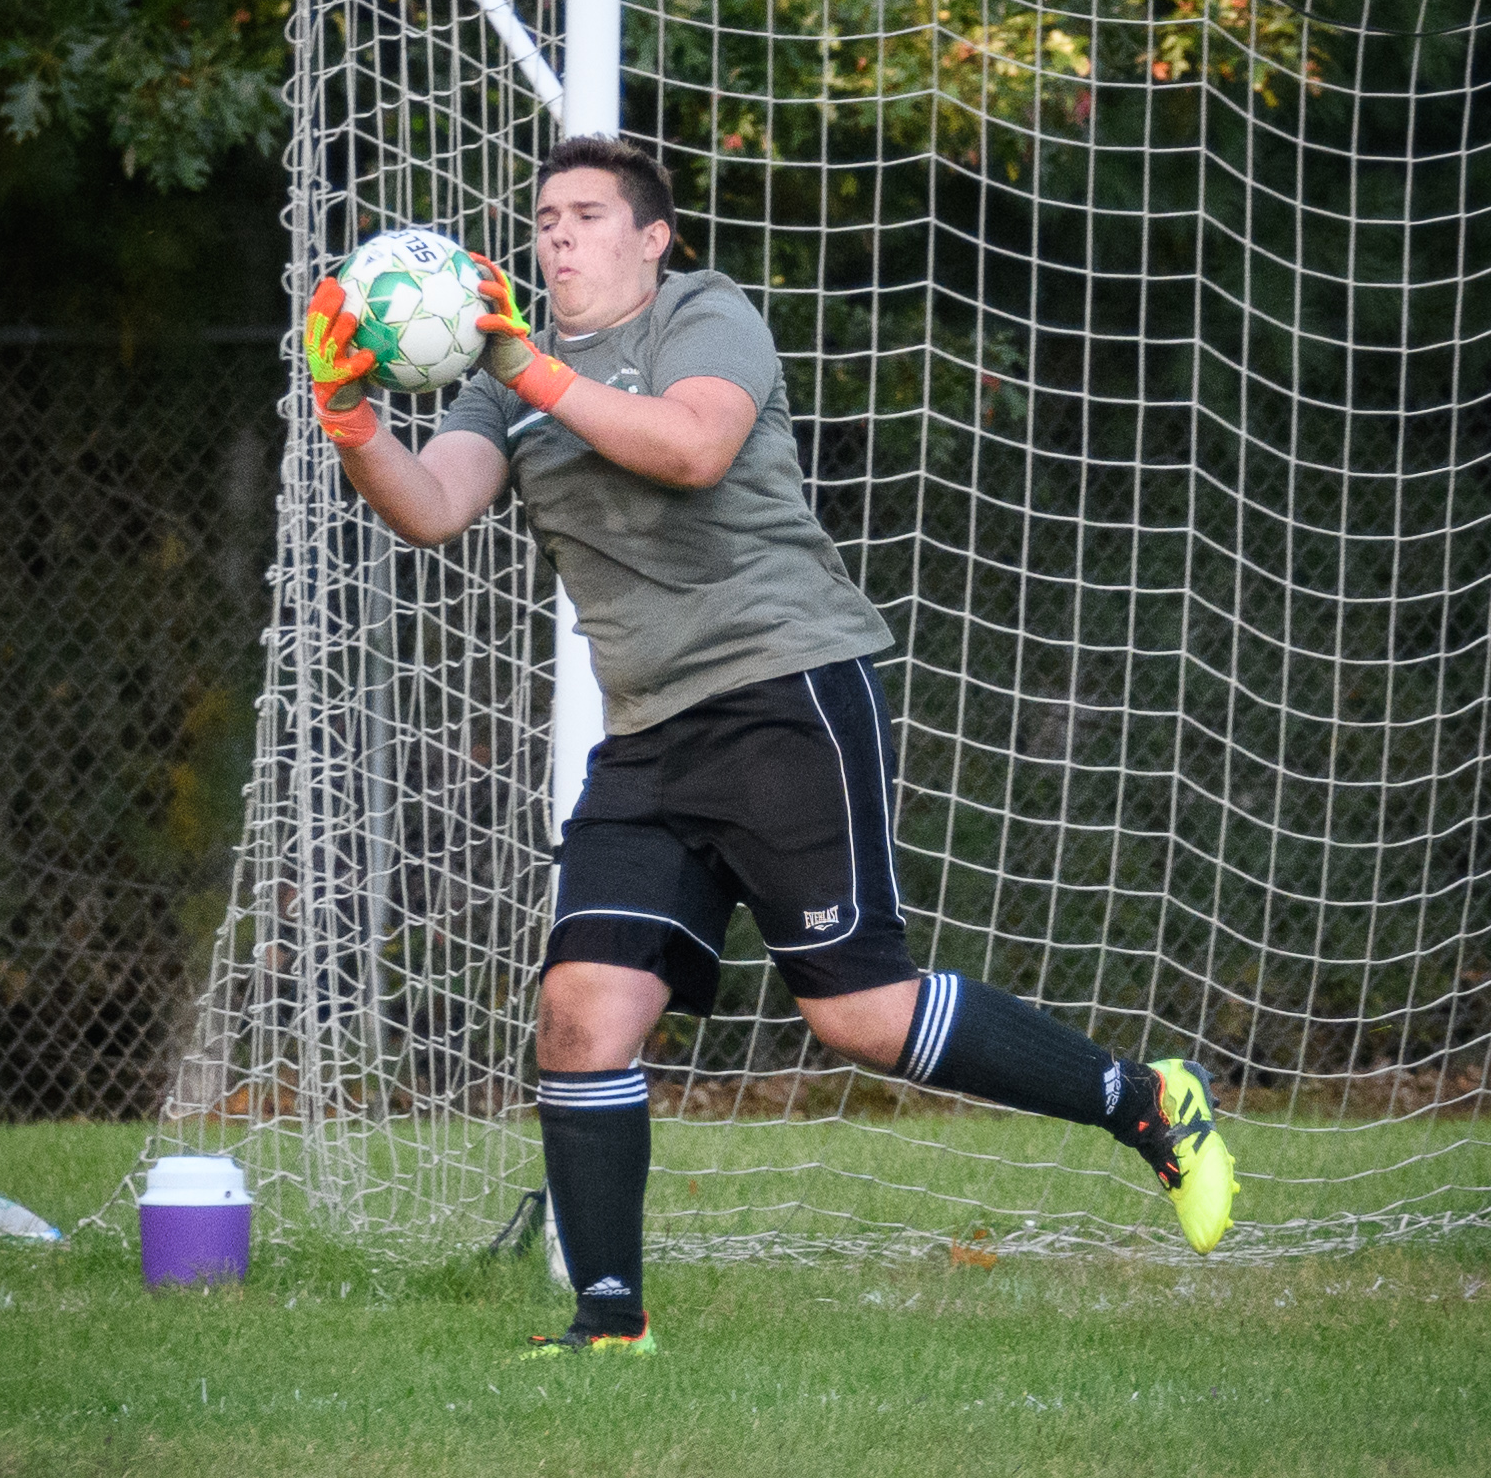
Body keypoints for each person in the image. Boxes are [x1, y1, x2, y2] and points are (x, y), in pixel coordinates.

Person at [303, 135, 1239, 1355]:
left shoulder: (702, 315)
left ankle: (1143, 1099)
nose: (557, 235)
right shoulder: (498, 381)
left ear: (652, 238)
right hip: (646, 733)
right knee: (581, 1013)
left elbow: (691, 447)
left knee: (858, 1013)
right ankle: (609, 1323)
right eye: (544, 218)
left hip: (780, 691)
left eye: (587, 214)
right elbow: (431, 508)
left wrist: (530, 365)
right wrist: (350, 418)